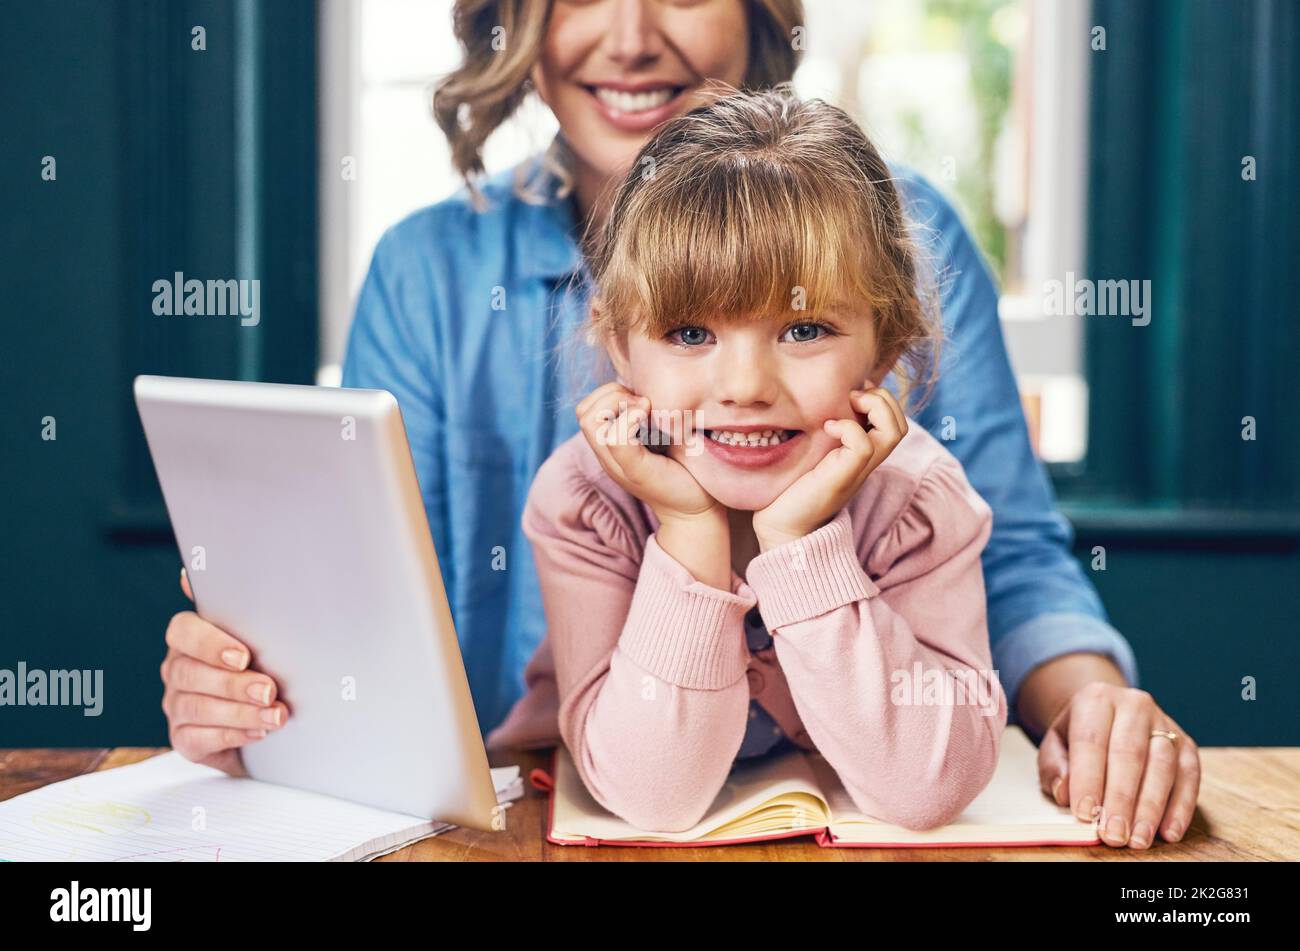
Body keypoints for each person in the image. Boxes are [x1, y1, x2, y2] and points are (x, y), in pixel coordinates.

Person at [159, 0, 1199, 850]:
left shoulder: (899, 241)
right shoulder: (429, 275)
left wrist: (1091, 701)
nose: (628, 35)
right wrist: (261, 686)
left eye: (801, 326)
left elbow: (1004, 555)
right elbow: (364, 606)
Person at [484, 87, 1007, 833]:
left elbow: (928, 787)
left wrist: (800, 544)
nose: (744, 389)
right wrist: (689, 529)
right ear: (618, 343)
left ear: (886, 348)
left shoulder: (916, 501)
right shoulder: (585, 499)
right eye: (691, 334)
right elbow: (652, 796)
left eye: (804, 330)